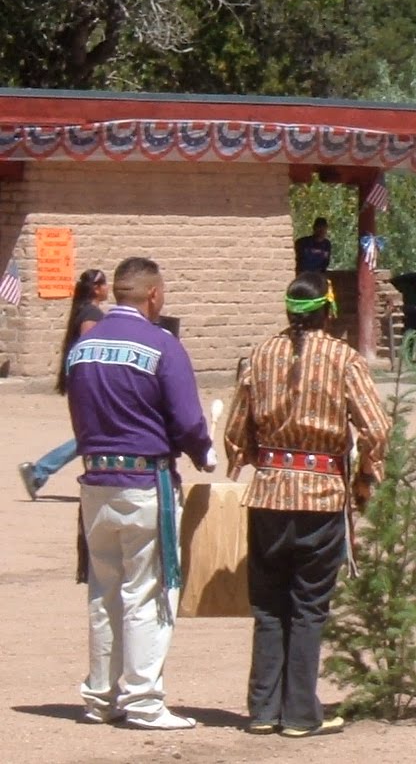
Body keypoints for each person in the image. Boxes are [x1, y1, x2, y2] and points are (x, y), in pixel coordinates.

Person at [224, 272, 391, 736]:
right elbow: (377, 428)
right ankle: (299, 714)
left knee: (268, 606)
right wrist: (364, 476)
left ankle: (261, 711)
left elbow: (236, 433)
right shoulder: (344, 359)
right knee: (308, 607)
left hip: (268, 496)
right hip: (321, 496)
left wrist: (259, 460)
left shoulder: (260, 356)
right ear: (329, 310)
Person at [67, 257, 214, 729]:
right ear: (153, 294)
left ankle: (100, 696)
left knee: (103, 590)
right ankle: (144, 700)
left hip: (95, 483)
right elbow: (188, 419)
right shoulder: (161, 346)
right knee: (147, 591)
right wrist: (203, 453)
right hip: (144, 482)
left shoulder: (82, 347)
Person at [18, 269, 108, 499]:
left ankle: (41, 473)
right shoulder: (91, 315)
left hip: (84, 383)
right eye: (105, 284)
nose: (108, 288)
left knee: (94, 434)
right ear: (97, 289)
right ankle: (40, 471)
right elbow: (90, 352)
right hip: (89, 384)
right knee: (92, 434)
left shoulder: (87, 311)